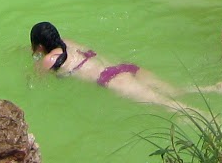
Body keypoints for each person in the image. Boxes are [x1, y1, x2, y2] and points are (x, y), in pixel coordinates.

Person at [29, 21, 198, 110]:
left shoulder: (48, 60)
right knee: (176, 92)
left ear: (40, 46)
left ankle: (208, 119)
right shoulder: (67, 42)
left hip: (112, 80)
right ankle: (212, 88)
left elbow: (36, 82)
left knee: (168, 105)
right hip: (123, 67)